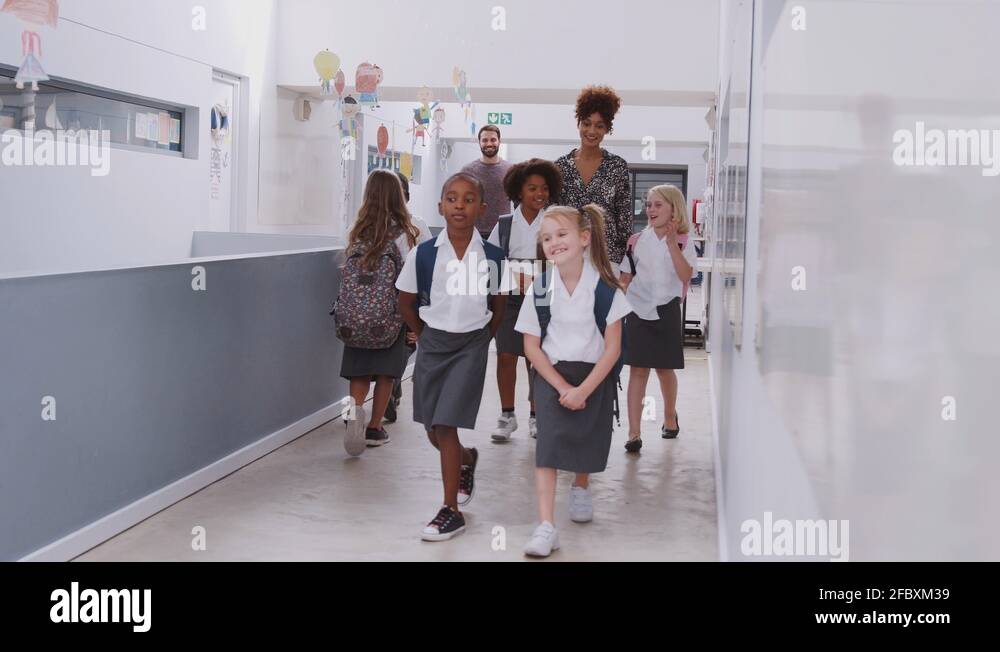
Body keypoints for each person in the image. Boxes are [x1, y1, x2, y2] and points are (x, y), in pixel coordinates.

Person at [514, 204, 631, 557]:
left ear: (583, 238)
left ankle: (581, 485)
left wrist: (583, 389)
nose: (553, 242)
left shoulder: (607, 290)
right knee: (547, 449)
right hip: (551, 376)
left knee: (586, 441)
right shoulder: (540, 289)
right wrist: (563, 387)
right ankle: (547, 526)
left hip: (593, 376)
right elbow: (531, 347)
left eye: (561, 234)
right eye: (546, 238)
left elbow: (612, 350)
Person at [396, 173, 508, 541]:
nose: (460, 205)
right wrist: (424, 335)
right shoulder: (424, 253)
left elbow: (499, 303)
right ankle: (467, 460)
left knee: (446, 425)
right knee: (432, 430)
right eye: (452, 198)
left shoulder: (492, 256)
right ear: (440, 206)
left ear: (482, 208)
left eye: (468, 199)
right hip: (434, 345)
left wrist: (482, 338)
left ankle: (450, 511)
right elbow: (406, 300)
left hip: (471, 345)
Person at [337, 169, 422, 455]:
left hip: (354, 318)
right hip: (391, 317)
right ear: (399, 195)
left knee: (357, 374)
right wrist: (414, 323)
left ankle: (353, 417)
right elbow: (411, 281)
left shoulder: (357, 230)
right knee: (386, 374)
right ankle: (374, 427)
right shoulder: (406, 234)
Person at [487, 158, 562, 442]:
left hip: (543, 298)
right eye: (532, 188)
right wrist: (513, 280)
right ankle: (507, 415)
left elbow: (563, 260)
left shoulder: (554, 223)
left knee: (537, 359)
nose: (539, 194)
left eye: (544, 189)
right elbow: (491, 265)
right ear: (519, 191)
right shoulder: (504, 225)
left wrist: (539, 281)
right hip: (510, 301)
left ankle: (536, 416)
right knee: (506, 356)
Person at [619, 184, 697, 452]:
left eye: (658, 204)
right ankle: (633, 433)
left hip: (666, 310)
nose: (651, 209)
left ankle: (669, 417)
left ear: (674, 209)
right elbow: (626, 278)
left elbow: (686, 276)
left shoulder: (685, 242)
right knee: (637, 371)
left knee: (665, 370)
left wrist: (673, 244)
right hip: (638, 310)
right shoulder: (636, 240)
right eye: (649, 204)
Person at [554, 86, 633, 264]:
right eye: (587, 123)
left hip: (608, 258)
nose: (591, 131)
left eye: (599, 126)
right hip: (569, 256)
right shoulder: (560, 167)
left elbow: (624, 219)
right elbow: (553, 215)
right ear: (578, 123)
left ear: (607, 129)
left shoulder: (617, 166)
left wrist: (626, 263)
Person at [383, 171, 431, 424]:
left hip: (393, 300)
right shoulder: (416, 227)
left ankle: (391, 384)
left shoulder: (417, 226)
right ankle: (391, 384)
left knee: (404, 343)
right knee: (400, 343)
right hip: (392, 299)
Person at [460, 125, 513, 240]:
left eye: (493, 140)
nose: (489, 144)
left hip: (503, 232)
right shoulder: (467, 171)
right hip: (474, 232)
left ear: (499, 141)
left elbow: (519, 201)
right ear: (479, 142)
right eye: (484, 140)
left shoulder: (510, 170)